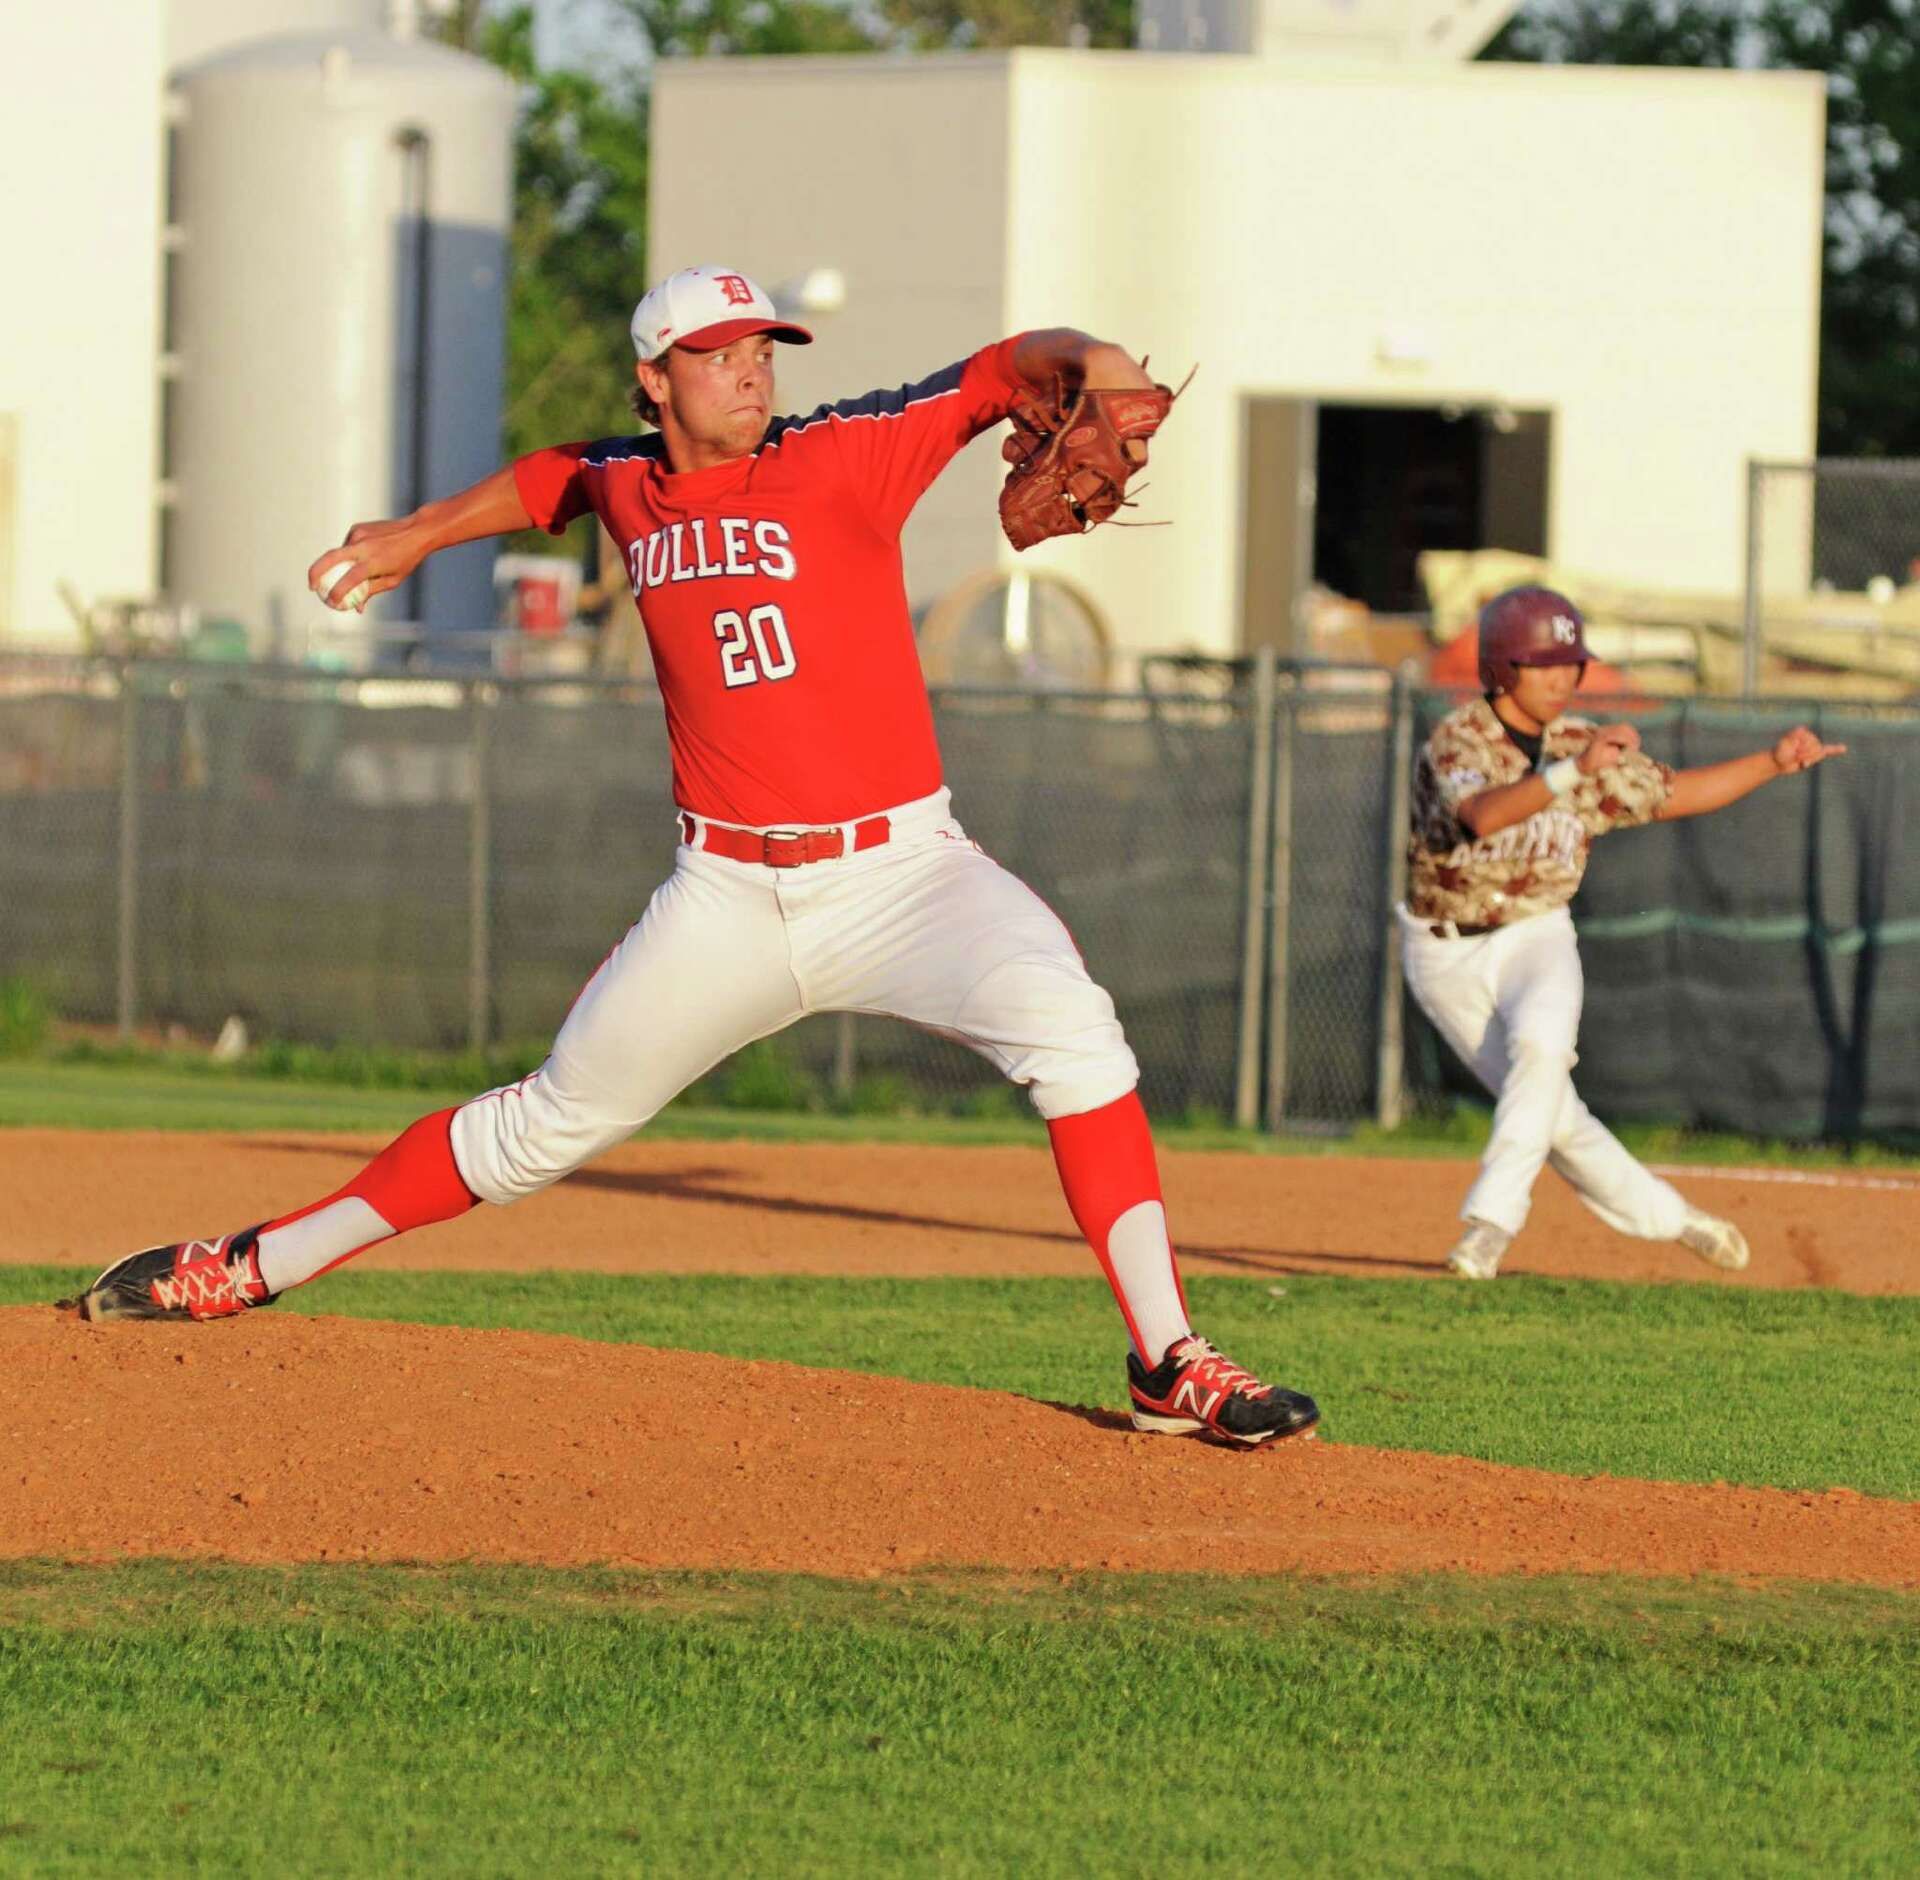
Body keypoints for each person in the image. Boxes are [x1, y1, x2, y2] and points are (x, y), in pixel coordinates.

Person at [75, 264, 1319, 1449]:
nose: (751, 371)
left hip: (906, 874)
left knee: (1078, 1036)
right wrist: (419, 532)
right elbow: (560, 476)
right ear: (655, 378)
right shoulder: (629, 482)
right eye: (718, 354)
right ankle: (250, 1263)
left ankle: (1168, 1359)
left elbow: (1003, 370)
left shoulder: (848, 450)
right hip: (726, 898)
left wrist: (1094, 359)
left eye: (762, 349)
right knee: (537, 1133)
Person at [1400, 584, 1846, 1281]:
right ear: (1501, 667)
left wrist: (1773, 762)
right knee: (1555, 1116)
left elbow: (1676, 793)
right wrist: (1575, 771)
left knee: (1544, 1048)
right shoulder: (1460, 739)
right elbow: (1483, 816)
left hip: (1537, 934)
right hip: (1444, 950)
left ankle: (1489, 1226)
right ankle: (1676, 1218)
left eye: (1570, 663)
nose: (1562, 678)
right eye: (1542, 663)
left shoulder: (1581, 743)